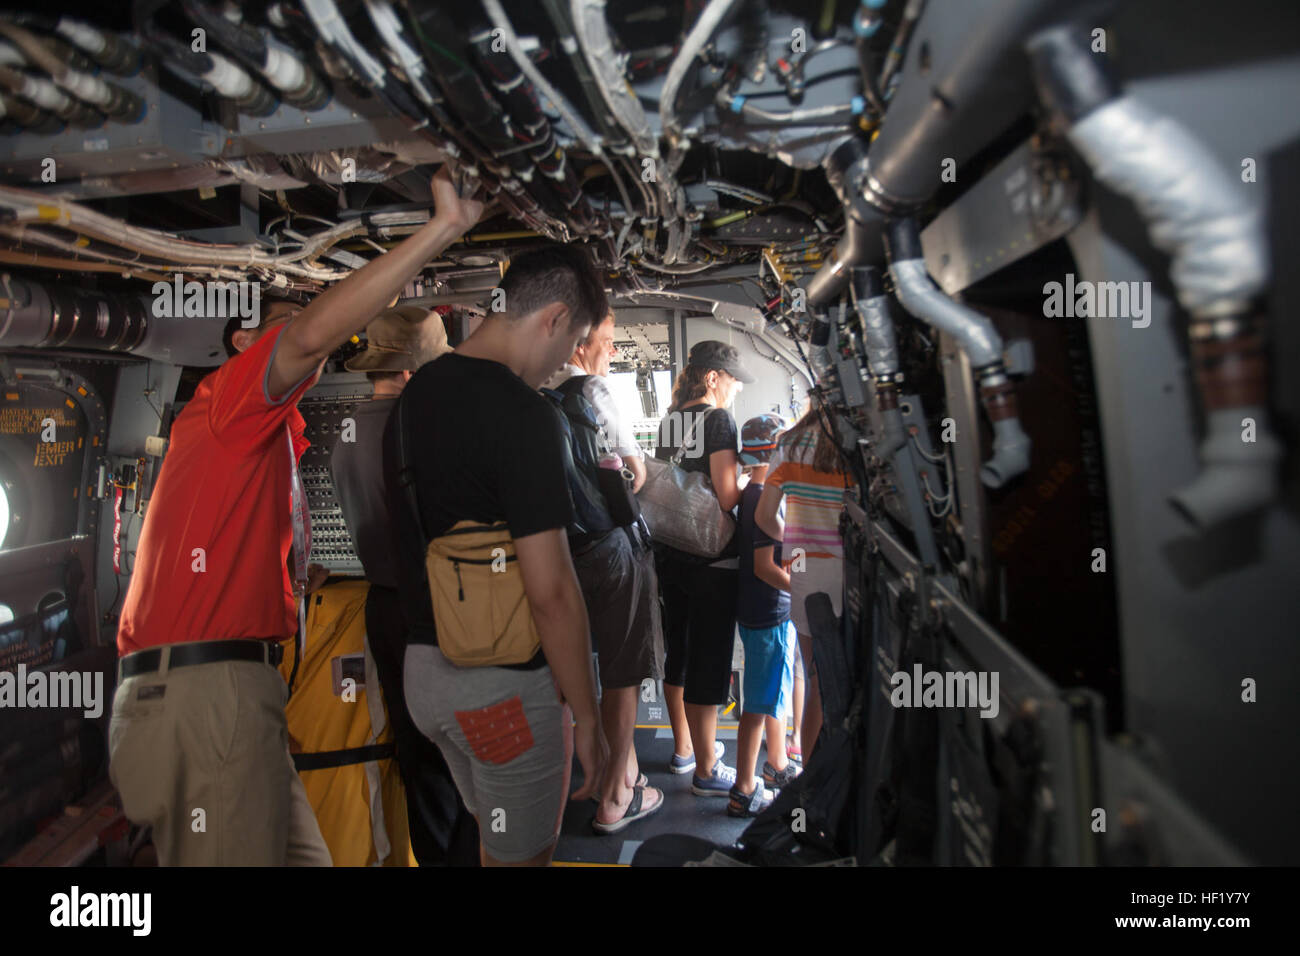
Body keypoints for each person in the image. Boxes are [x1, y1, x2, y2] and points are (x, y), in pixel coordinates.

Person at [108, 168, 483, 866]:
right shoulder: (228, 401)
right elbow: (311, 339)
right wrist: (442, 229)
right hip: (202, 694)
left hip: (237, 694)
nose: (313, 333)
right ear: (243, 336)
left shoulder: (269, 438)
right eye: (288, 316)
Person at [386, 243, 610, 866]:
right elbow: (552, 591)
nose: (568, 360)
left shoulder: (411, 399)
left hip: (425, 682)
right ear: (555, 318)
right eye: (575, 341)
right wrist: (589, 720)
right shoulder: (527, 416)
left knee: (493, 842)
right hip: (500, 689)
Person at [330, 306, 479, 865]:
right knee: (468, 752)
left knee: (418, 757)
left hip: (384, 611)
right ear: (413, 372)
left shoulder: (345, 436)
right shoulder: (421, 432)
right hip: (438, 611)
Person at [547, 311, 665, 833]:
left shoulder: (534, 393)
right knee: (623, 670)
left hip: (556, 550)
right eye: (609, 341)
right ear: (580, 346)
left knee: (571, 668)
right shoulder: (593, 390)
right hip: (610, 549)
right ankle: (615, 797)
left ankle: (618, 772)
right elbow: (634, 469)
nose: (613, 353)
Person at [654, 340, 754, 797]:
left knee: (678, 649)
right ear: (713, 377)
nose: (734, 389)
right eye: (731, 380)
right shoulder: (719, 420)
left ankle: (683, 751)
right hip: (713, 558)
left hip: (670, 551)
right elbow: (728, 496)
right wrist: (753, 478)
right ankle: (709, 771)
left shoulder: (669, 420)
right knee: (709, 660)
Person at [755, 398, 851, 765]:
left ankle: (810, 787)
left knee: (816, 683)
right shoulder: (856, 441)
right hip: (851, 575)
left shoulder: (790, 443)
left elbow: (766, 518)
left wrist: (797, 542)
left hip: (806, 573)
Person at [730, 413, 800, 817]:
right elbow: (763, 567)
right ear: (772, 453)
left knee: (772, 696)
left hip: (765, 613)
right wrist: (801, 589)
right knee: (757, 705)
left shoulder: (752, 492)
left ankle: (777, 765)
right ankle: (744, 787)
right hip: (768, 615)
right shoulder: (760, 498)